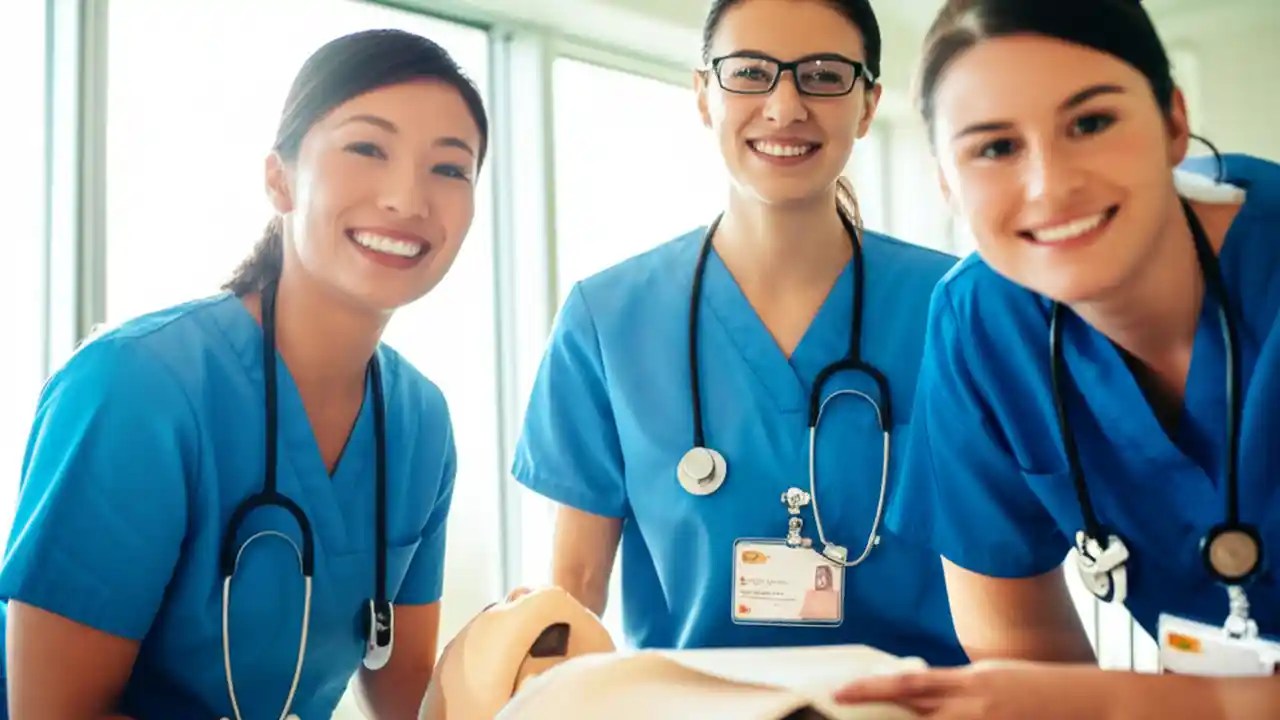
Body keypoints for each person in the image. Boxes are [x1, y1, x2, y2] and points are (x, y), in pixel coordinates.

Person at [0, 28, 488, 720]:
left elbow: (406, 695)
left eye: (449, 168)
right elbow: (54, 712)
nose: (407, 200)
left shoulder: (418, 423)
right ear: (279, 179)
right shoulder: (135, 389)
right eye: (367, 148)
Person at [834, 1, 1280, 717]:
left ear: (1171, 121)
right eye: (994, 148)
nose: (1049, 184)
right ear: (946, 182)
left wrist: (1114, 705)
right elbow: (1021, 656)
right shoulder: (982, 323)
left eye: (1091, 124)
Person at [512, 0, 966, 666]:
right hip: (685, 709)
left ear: (868, 105)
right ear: (703, 94)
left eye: (823, 75)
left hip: (916, 707)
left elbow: (1015, 572)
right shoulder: (606, 320)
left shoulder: (954, 309)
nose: (784, 106)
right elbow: (573, 593)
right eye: (750, 72)